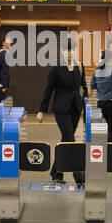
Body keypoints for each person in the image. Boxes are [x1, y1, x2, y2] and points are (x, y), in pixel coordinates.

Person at [36, 41, 88, 185]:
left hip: (76, 108)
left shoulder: (80, 66)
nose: (70, 53)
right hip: (61, 109)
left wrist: (85, 105)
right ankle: (78, 176)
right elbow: (48, 90)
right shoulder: (57, 69)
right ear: (63, 52)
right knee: (70, 139)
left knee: (66, 140)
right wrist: (42, 110)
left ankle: (56, 172)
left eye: (73, 50)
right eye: (67, 50)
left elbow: (83, 86)